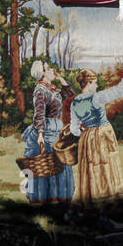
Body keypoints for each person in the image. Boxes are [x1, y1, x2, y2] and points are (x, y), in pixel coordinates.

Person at [69, 69, 123, 205]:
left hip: (87, 138)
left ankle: (92, 201)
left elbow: (74, 129)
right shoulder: (96, 97)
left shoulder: (75, 102)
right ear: (89, 82)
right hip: (103, 136)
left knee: (92, 169)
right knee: (106, 167)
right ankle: (108, 204)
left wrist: (85, 133)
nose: (97, 86)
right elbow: (120, 90)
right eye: (95, 83)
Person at [20, 60, 75, 205]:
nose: (52, 70)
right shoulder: (40, 90)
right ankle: (43, 198)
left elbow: (70, 94)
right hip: (46, 129)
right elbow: (39, 114)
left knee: (59, 162)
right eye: (49, 68)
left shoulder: (52, 89)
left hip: (56, 128)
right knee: (48, 164)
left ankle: (58, 196)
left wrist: (60, 78)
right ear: (43, 72)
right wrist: (40, 134)